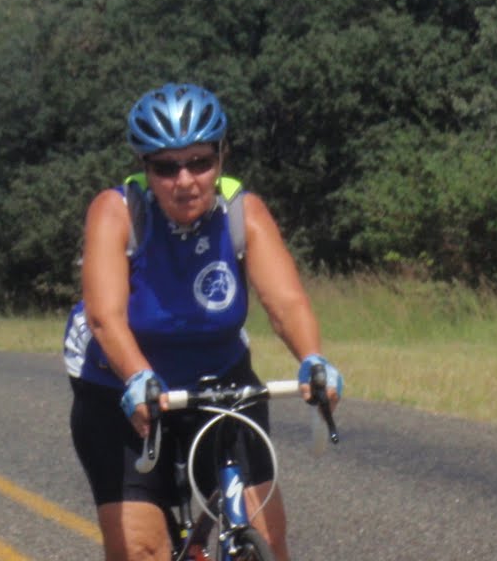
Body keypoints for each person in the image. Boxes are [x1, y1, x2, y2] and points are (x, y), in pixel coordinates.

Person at [63, 83, 342, 561]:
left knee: (268, 541)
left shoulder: (241, 212)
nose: (185, 180)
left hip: (219, 379)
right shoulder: (117, 212)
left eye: (199, 162)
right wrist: (136, 375)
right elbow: (106, 317)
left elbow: (286, 303)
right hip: (120, 385)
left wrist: (313, 358)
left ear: (221, 157)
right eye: (166, 167)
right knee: (141, 549)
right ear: (144, 169)